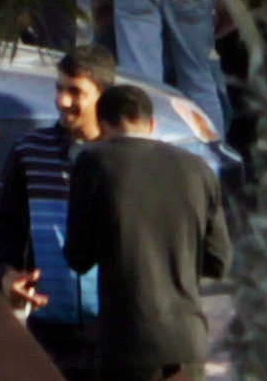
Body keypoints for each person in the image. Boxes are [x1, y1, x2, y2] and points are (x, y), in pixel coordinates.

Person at [58, 79, 230, 381]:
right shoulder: (198, 169)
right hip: (187, 341)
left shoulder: (94, 163)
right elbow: (219, 261)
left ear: (102, 125)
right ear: (151, 124)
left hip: (127, 343)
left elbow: (78, 256)